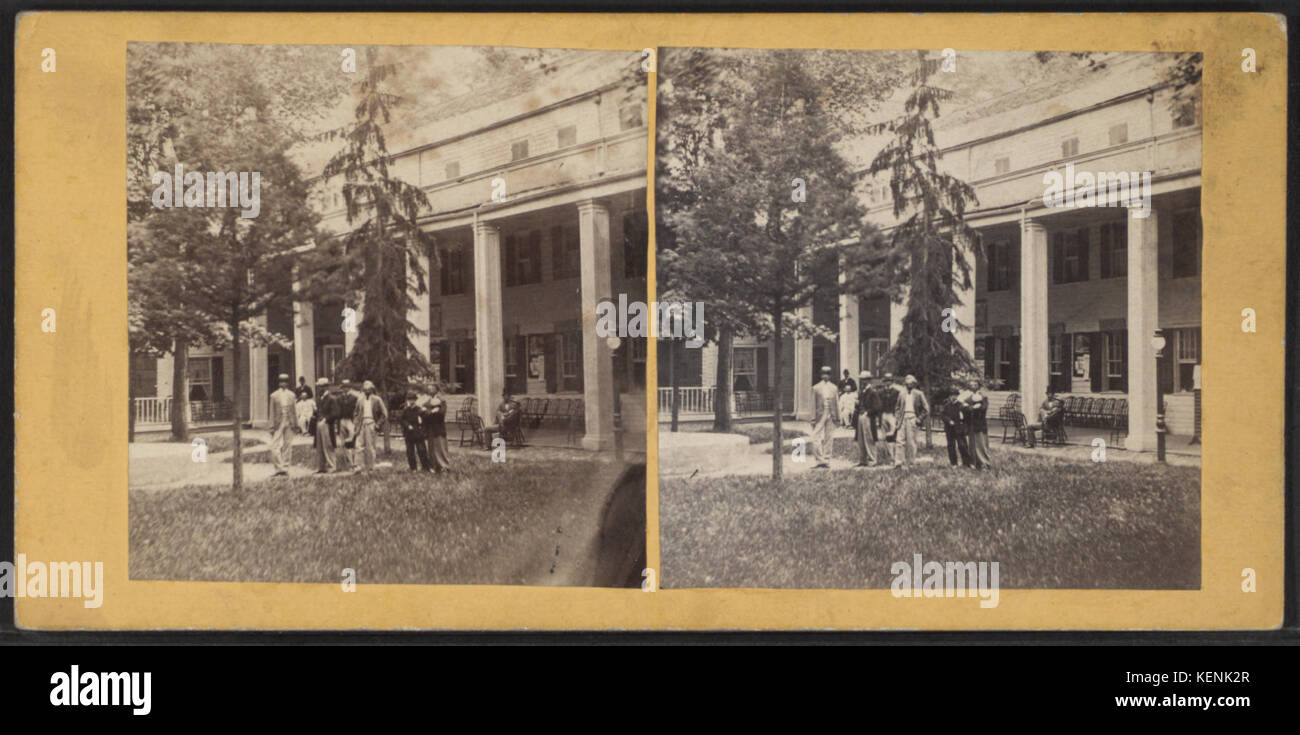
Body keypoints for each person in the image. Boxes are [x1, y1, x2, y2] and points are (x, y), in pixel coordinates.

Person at [352, 380, 388, 471]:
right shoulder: (360, 400)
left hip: (371, 423)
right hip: (362, 423)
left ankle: (370, 467)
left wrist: (378, 424)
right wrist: (356, 423)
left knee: (370, 446)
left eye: (368, 389)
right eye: (365, 389)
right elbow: (356, 413)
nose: (367, 391)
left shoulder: (377, 399)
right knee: (359, 445)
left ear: (372, 390)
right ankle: (358, 466)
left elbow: (384, 414)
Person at [894, 375, 930, 467]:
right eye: (907, 383)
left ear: (914, 384)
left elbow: (926, 409)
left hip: (913, 418)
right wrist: (898, 418)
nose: (908, 385)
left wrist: (919, 419)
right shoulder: (902, 393)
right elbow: (897, 407)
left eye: (911, 383)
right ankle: (899, 462)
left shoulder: (919, 394)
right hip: (902, 418)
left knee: (911, 442)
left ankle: (911, 462)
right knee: (899, 440)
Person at [268, 373, 297, 477]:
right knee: (274, 445)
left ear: (288, 383)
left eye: (285, 381)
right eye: (281, 381)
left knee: (288, 445)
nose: (283, 383)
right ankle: (278, 468)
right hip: (278, 422)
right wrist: (271, 426)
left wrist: (296, 425)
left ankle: (285, 467)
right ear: (279, 383)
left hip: (289, 421)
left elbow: (294, 411)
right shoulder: (274, 395)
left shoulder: (292, 395)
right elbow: (271, 412)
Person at [810, 366, 840, 468]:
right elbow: (813, 404)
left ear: (830, 375)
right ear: (821, 375)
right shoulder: (816, 387)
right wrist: (813, 418)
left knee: (829, 436)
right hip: (820, 414)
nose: (825, 376)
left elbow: (836, 403)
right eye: (823, 374)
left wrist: (838, 418)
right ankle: (819, 460)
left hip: (831, 413)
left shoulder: (834, 388)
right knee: (815, 436)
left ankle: (826, 459)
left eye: (827, 374)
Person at [419, 383, 452, 472]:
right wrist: (432, 411)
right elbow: (421, 413)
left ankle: (444, 466)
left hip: (438, 428)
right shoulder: (426, 401)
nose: (430, 390)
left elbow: (441, 414)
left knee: (441, 448)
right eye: (429, 388)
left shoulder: (441, 401)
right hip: (429, 428)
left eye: (433, 388)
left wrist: (429, 412)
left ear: (437, 390)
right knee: (431, 448)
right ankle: (434, 466)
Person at [399, 389, 432, 472]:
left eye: (413, 399)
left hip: (418, 433)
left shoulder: (419, 409)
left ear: (415, 400)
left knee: (422, 450)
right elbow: (401, 419)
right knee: (410, 452)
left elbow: (426, 418)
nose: (411, 401)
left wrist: (425, 411)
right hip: (409, 433)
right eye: (409, 399)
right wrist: (407, 425)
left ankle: (425, 467)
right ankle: (413, 468)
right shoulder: (405, 410)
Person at [312, 377, 339, 474]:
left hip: (327, 424)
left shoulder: (332, 398)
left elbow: (335, 413)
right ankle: (321, 467)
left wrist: (326, 419)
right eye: (319, 387)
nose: (319, 389)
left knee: (328, 445)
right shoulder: (319, 399)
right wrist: (315, 415)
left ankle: (332, 466)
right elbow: (318, 411)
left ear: (325, 387)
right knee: (319, 446)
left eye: (321, 387)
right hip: (319, 423)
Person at [940, 391, 973, 468]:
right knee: (951, 445)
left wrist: (964, 425)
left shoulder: (961, 405)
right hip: (949, 429)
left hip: (959, 428)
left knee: (962, 445)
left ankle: (966, 462)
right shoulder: (946, 405)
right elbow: (942, 415)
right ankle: (954, 463)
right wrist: (949, 421)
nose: (953, 397)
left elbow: (967, 416)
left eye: (955, 395)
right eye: (951, 395)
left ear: (957, 396)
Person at [965, 377, 992, 469]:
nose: (973, 386)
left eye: (975, 385)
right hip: (971, 424)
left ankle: (985, 464)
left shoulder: (983, 397)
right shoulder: (968, 397)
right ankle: (975, 463)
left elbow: (983, 408)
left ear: (979, 386)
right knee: (972, 445)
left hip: (980, 424)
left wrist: (970, 407)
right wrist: (972, 408)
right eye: (971, 385)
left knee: (981, 445)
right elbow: (963, 407)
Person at [854, 370, 880, 467]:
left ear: (869, 380)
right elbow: (859, 405)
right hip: (860, 416)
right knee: (861, 439)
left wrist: (868, 412)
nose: (863, 381)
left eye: (865, 380)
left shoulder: (872, 392)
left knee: (869, 438)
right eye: (861, 380)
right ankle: (862, 460)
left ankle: (872, 459)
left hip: (868, 417)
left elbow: (877, 407)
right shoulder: (862, 392)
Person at [335, 378, 361, 469]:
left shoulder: (354, 398)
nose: (345, 389)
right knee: (343, 442)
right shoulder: (339, 398)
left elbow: (357, 410)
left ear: (349, 388)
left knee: (352, 440)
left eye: (347, 387)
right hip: (342, 420)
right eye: (343, 387)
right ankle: (348, 463)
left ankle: (354, 462)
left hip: (351, 420)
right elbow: (337, 410)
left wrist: (355, 420)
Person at [874, 373, 897, 466]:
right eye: (886, 381)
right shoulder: (880, 392)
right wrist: (878, 417)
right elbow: (878, 405)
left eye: (889, 381)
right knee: (883, 436)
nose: (888, 383)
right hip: (883, 414)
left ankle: (892, 457)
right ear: (884, 382)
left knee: (891, 436)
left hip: (892, 415)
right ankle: (885, 457)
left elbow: (898, 405)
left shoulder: (896, 392)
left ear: (892, 382)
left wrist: (896, 416)